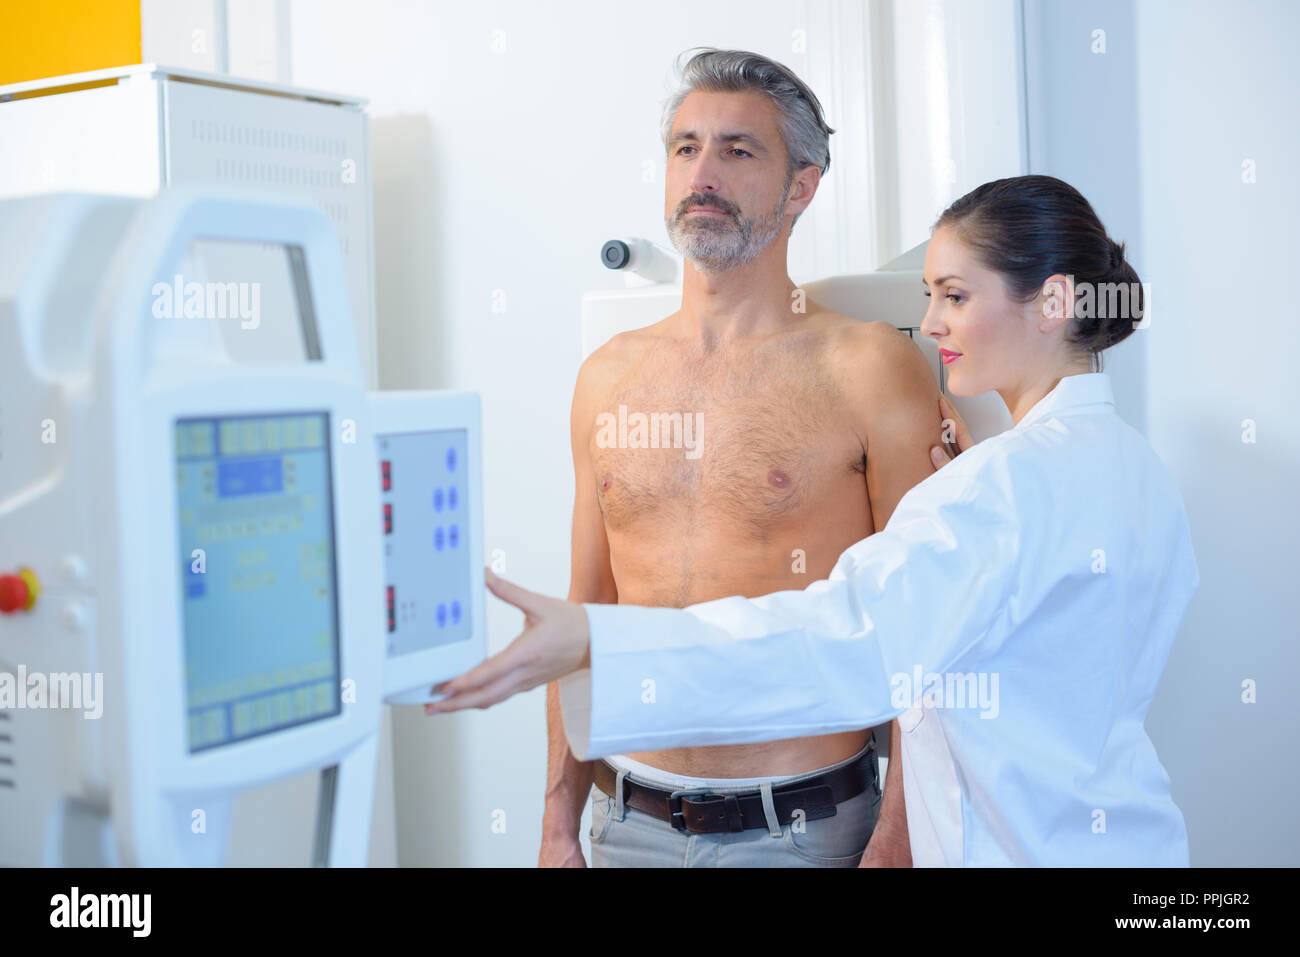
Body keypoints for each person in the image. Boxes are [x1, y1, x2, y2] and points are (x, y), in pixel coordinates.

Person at [430, 174, 1199, 866]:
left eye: (956, 296)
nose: (929, 323)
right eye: (929, 293)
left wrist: (602, 642)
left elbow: (839, 643)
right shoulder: (1132, 470)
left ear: (1056, 302)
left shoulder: (999, 489)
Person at [545, 47, 942, 869]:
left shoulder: (867, 368)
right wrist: (556, 826)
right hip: (627, 823)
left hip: (806, 829)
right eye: (685, 147)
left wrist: (901, 834)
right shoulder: (606, 376)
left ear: (801, 187)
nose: (702, 173)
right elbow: (585, 614)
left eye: (737, 149)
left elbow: (922, 623)